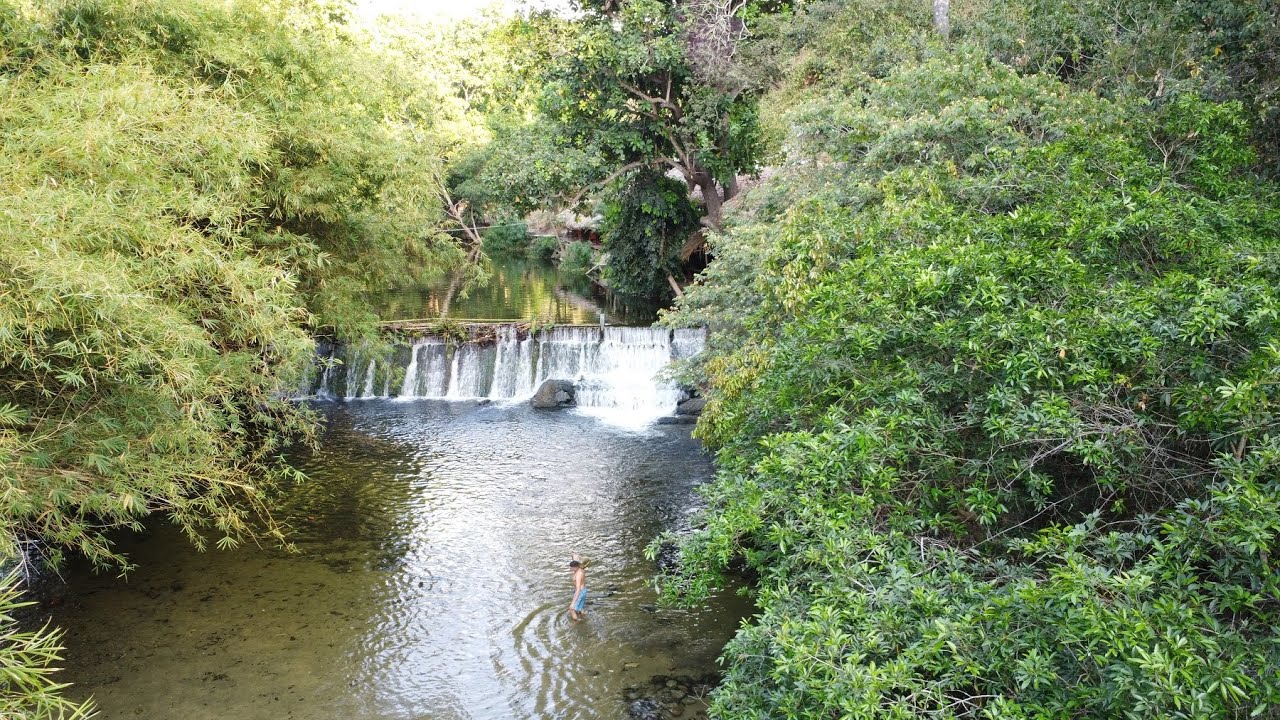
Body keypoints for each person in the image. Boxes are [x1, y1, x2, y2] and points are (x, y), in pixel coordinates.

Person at [568, 554, 587, 621]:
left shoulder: (578, 574)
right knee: (580, 608)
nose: (570, 569)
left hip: (580, 592)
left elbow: (578, 589)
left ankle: (576, 623)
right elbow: (576, 558)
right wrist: (574, 556)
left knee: (572, 609)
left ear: (575, 567)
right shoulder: (581, 569)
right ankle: (584, 617)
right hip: (583, 590)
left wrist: (572, 603)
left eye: (571, 568)